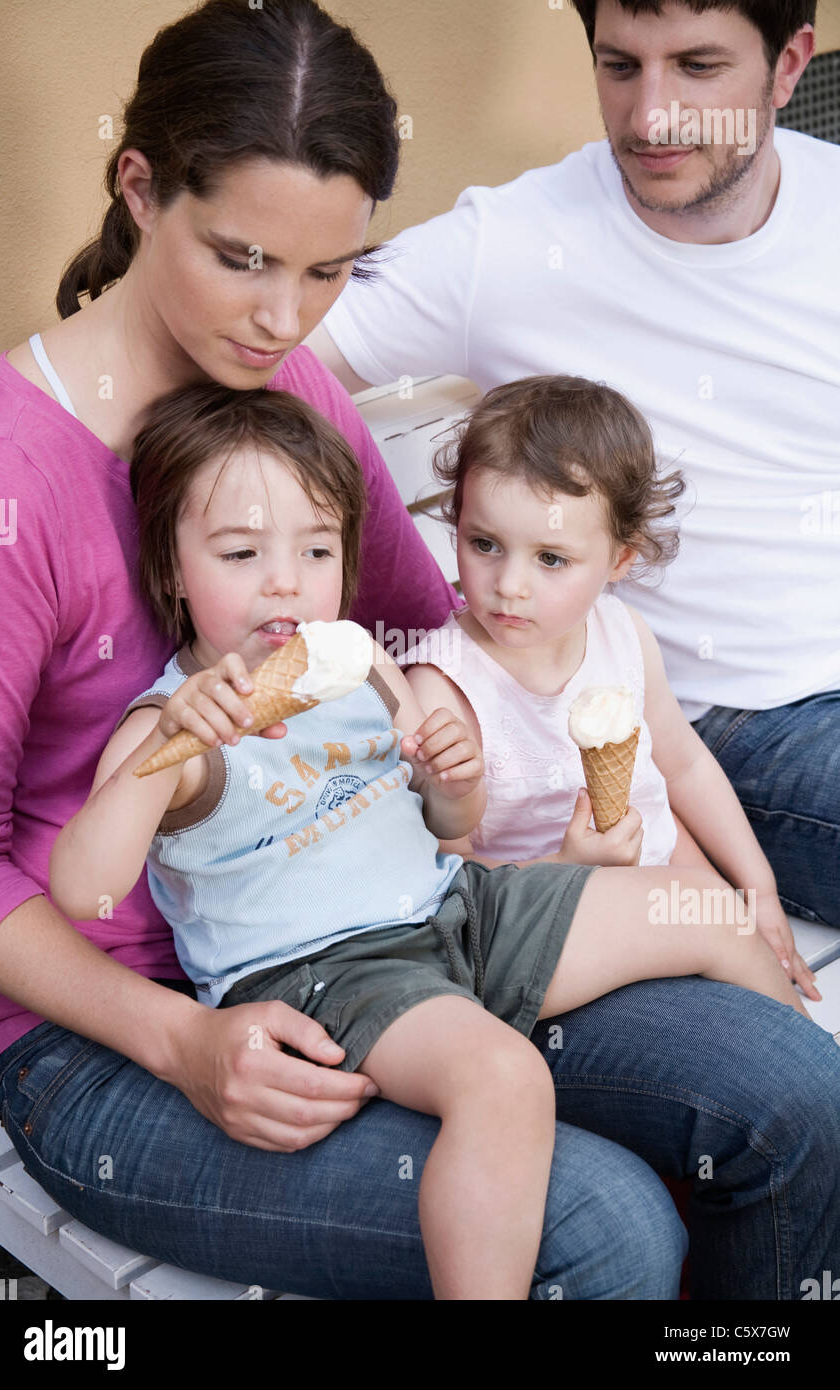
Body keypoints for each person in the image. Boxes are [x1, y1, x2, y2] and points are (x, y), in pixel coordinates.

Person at [0, 0, 693, 1302]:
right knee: (605, 1228)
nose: (281, 320)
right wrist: (184, 1039)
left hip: (396, 916)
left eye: (328, 273)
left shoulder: (287, 388)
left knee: (783, 1095)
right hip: (101, 1036)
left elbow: (419, 629)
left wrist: (453, 744)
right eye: (242, 257)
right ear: (137, 187)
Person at [50, 381, 811, 1299]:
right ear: (171, 570)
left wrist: (455, 782)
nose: (286, 579)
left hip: (457, 908)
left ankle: (816, 1092)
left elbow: (447, 826)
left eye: (317, 549)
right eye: (242, 553)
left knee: (703, 911)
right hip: (329, 974)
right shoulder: (169, 729)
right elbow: (82, 887)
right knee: (506, 1081)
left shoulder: (362, 662)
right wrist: (172, 743)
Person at [308, 0, 840, 946]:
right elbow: (271, 367)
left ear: (789, 64)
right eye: (621, 65)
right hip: (733, 721)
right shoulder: (503, 244)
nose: (649, 117)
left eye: (699, 66)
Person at [399, 376, 820, 987]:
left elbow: (683, 767)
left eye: (550, 558)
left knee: (774, 987)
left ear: (620, 559)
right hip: (550, 928)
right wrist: (568, 865)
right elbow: (450, 876)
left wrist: (757, 884)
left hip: (664, 886)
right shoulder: (443, 688)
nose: (510, 584)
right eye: (484, 544)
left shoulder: (623, 633)